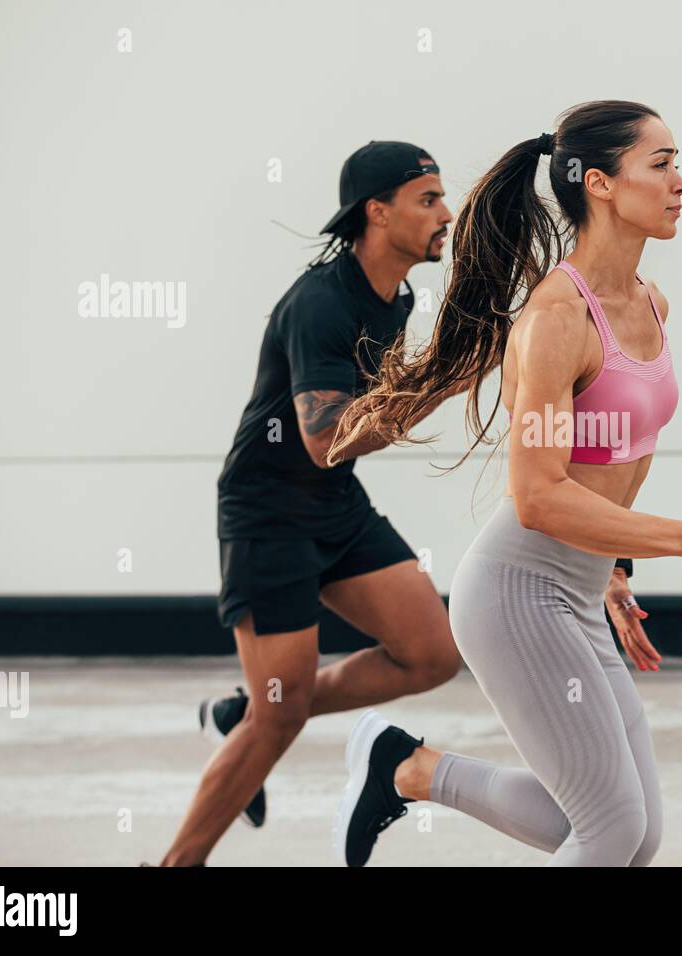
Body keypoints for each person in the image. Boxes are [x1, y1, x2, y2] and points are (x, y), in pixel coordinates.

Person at [328, 101, 682, 867]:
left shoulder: (651, 305)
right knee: (610, 830)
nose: (681, 182)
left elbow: (623, 455)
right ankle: (402, 767)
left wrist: (613, 565)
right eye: (662, 163)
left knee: (631, 832)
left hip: (576, 590)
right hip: (517, 593)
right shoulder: (556, 321)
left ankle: (406, 769)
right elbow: (540, 495)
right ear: (600, 184)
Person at [155, 141, 469, 866]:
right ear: (376, 211)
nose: (446, 214)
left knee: (430, 654)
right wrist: (442, 386)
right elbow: (328, 437)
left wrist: (440, 372)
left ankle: (238, 711)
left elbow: (345, 445)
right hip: (268, 513)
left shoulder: (396, 297)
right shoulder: (319, 303)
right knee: (280, 721)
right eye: (429, 200)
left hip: (331, 504)